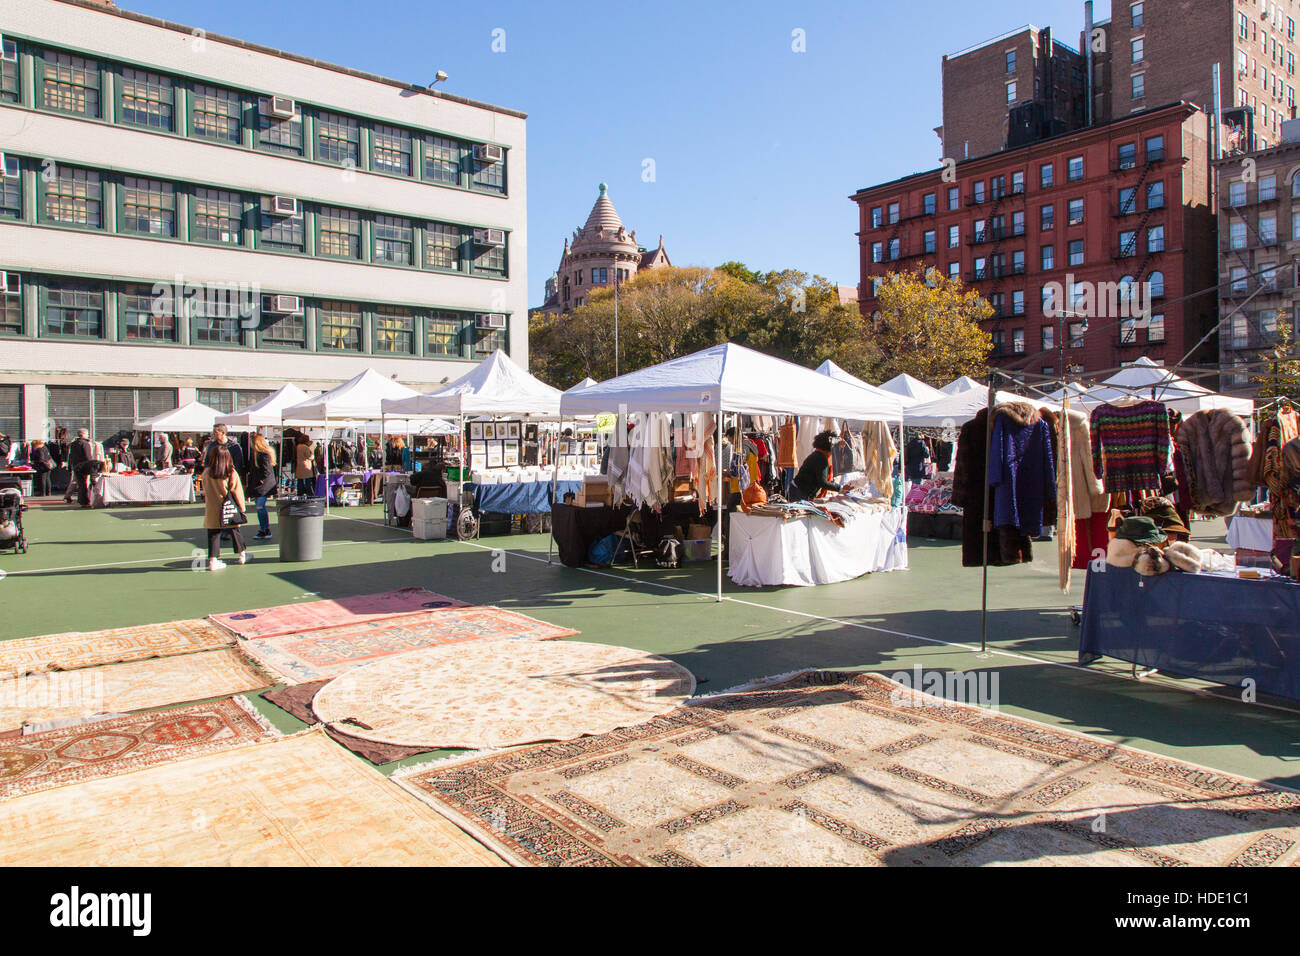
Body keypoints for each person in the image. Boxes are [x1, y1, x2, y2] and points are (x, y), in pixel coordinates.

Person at [201, 444, 248, 571]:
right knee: (235, 530)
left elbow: (204, 488)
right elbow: (237, 491)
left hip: (212, 506)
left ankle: (212, 560)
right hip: (228, 506)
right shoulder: (230, 471)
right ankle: (242, 555)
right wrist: (242, 508)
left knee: (213, 533)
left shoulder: (207, 472)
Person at [791, 430, 842, 502]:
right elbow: (823, 482)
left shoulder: (818, 454)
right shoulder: (821, 459)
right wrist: (840, 488)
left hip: (798, 489)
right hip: (800, 491)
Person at [246, 432, 278, 539]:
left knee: (260, 506)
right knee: (259, 507)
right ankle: (263, 528)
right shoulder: (257, 454)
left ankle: (265, 529)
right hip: (260, 484)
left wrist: (260, 481)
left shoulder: (264, 455)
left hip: (264, 485)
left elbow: (267, 471)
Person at [66, 427, 95, 507]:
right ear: (83, 435)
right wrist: (91, 465)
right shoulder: (85, 444)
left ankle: (82, 500)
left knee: (80, 484)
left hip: (76, 466)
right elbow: (88, 456)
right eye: (87, 434)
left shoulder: (73, 444)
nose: (88, 435)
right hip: (84, 466)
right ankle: (85, 501)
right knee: (84, 484)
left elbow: (71, 456)